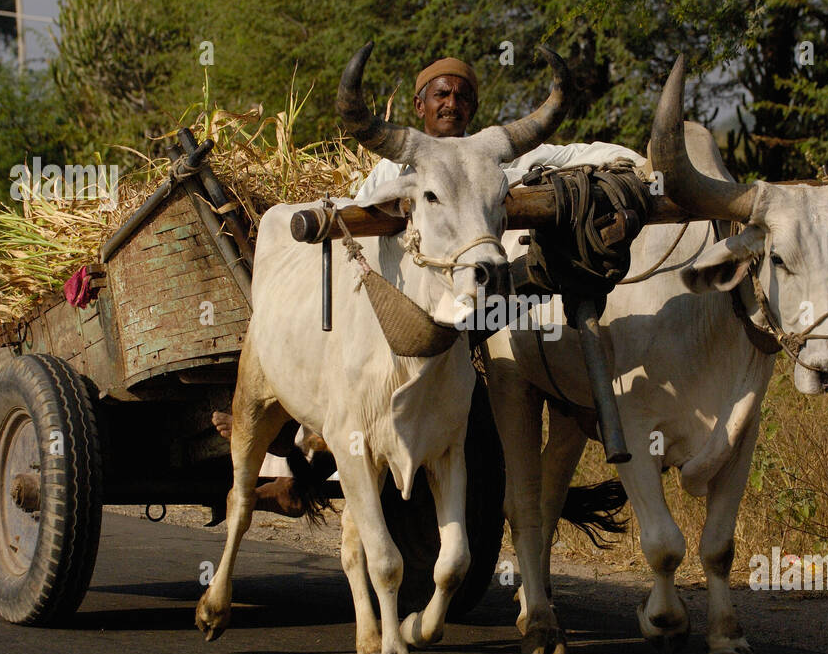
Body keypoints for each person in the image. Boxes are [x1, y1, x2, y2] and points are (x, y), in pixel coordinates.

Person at [216, 54, 645, 515]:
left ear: (473, 110)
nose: (452, 104)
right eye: (441, 94)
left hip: (491, 313)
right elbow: (354, 241)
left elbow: (582, 154)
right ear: (420, 106)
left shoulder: (498, 158)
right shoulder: (394, 173)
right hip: (412, 326)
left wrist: (641, 170)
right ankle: (318, 440)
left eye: (462, 97)